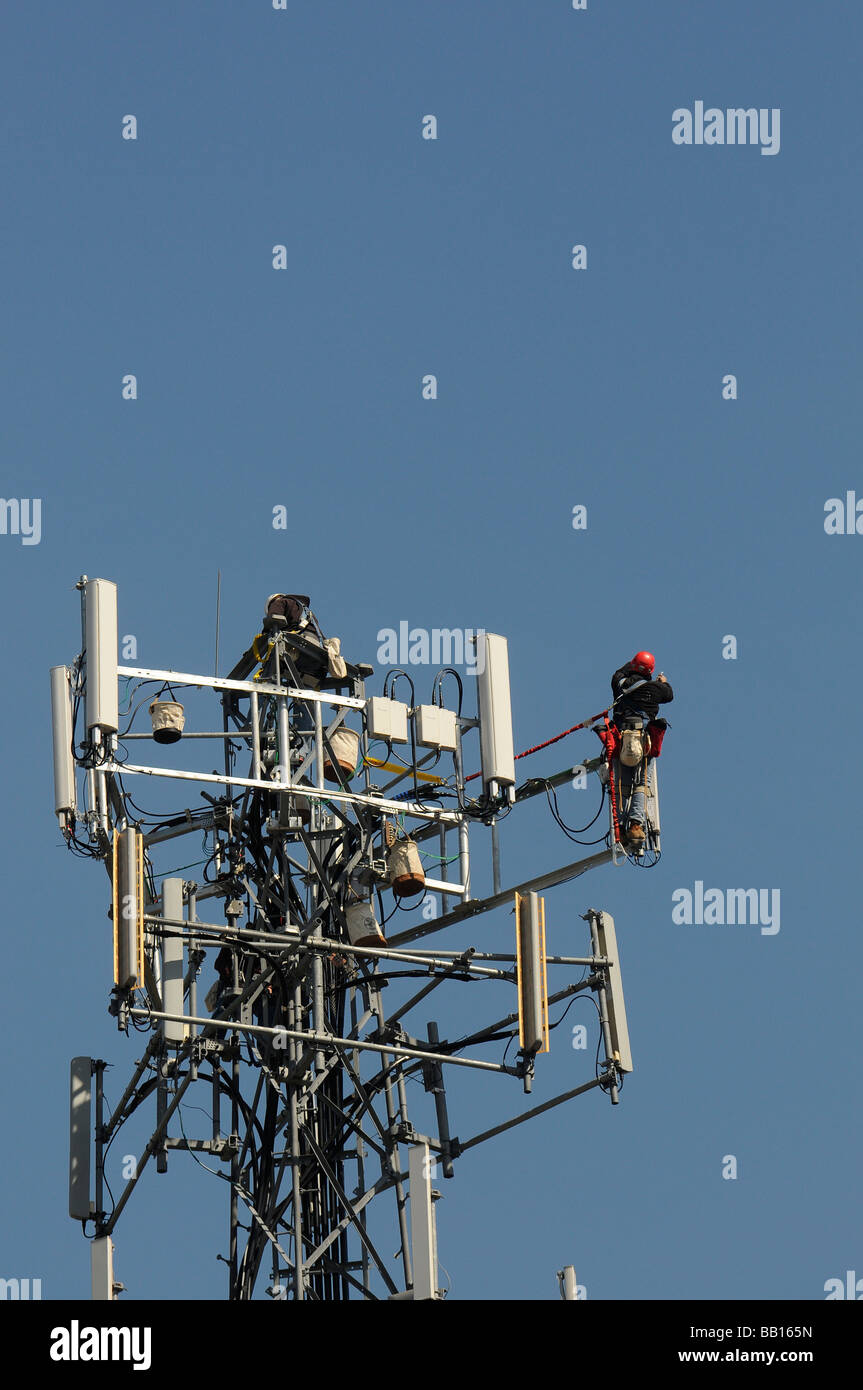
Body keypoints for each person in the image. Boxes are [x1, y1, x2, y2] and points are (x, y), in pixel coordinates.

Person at [609, 652, 673, 849]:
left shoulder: (621, 684)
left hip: (622, 740)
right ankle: (636, 824)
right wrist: (663, 681)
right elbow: (669, 695)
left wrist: (632, 666)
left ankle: (619, 825)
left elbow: (619, 673)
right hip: (644, 741)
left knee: (621, 782)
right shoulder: (655, 689)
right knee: (641, 782)